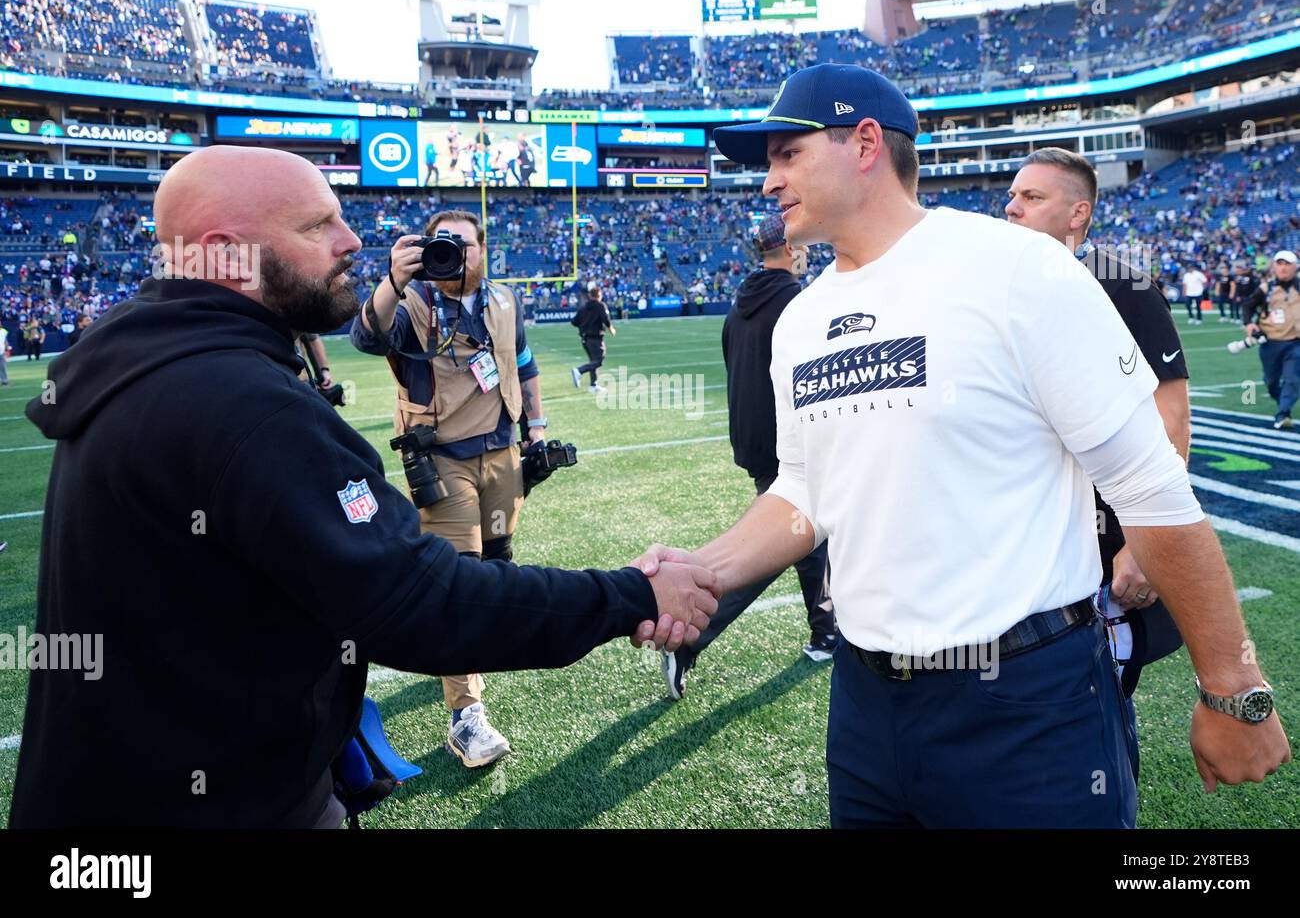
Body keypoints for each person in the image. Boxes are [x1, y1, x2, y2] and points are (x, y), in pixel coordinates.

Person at [641, 64, 1289, 828]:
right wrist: (701, 572)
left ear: (866, 144)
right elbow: (803, 493)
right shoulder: (801, 320)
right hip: (863, 702)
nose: (767, 181)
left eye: (787, 154)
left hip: (1027, 702)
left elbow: (1153, 490)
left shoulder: (1014, 268)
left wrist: (1232, 688)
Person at [10, 146, 718, 828]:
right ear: (226, 253)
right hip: (214, 806)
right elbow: (426, 604)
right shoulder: (242, 404)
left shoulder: (164, 363)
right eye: (317, 225)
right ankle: (467, 715)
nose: (351, 239)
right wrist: (634, 594)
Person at [1005, 148, 1191, 779]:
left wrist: (1146, 540)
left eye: (1032, 197)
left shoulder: (1118, 281)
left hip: (1106, 537)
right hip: (1038, 534)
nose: (1011, 206)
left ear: (1077, 213)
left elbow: (1171, 412)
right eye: (1013, 194)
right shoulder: (1009, 286)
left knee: (1100, 706)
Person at [352, 209, 548, 768]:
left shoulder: (504, 301)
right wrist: (394, 279)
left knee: (497, 562)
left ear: (482, 250)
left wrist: (536, 426)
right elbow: (365, 336)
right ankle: (466, 716)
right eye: (441, 243)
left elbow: (525, 365)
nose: (452, 253)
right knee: (456, 580)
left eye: (461, 244)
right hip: (440, 456)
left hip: (502, 449)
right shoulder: (412, 301)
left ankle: (468, 656)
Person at [660, 212, 838, 700]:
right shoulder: (797, 304)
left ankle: (826, 631)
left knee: (807, 539)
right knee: (785, 541)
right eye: (801, 246)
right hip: (789, 444)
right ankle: (693, 634)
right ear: (790, 249)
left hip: (754, 438)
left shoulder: (740, 305)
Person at [1241, 250, 1299, 430]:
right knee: (1271, 381)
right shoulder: (1266, 288)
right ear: (1274, 266)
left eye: (1287, 264)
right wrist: (1249, 324)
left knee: (1293, 378)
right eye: (1279, 263)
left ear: (1295, 267)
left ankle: (1283, 413)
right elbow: (1247, 306)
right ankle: (1283, 404)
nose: (1283, 268)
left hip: (1296, 342)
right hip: (1271, 342)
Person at [569, 284, 615, 392]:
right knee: (599, 361)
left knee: (593, 361)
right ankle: (579, 370)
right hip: (595, 338)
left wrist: (584, 325)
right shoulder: (600, 306)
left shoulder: (584, 307)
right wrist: (611, 328)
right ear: (599, 295)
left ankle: (593, 385)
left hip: (585, 339)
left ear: (590, 295)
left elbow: (574, 322)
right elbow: (605, 318)